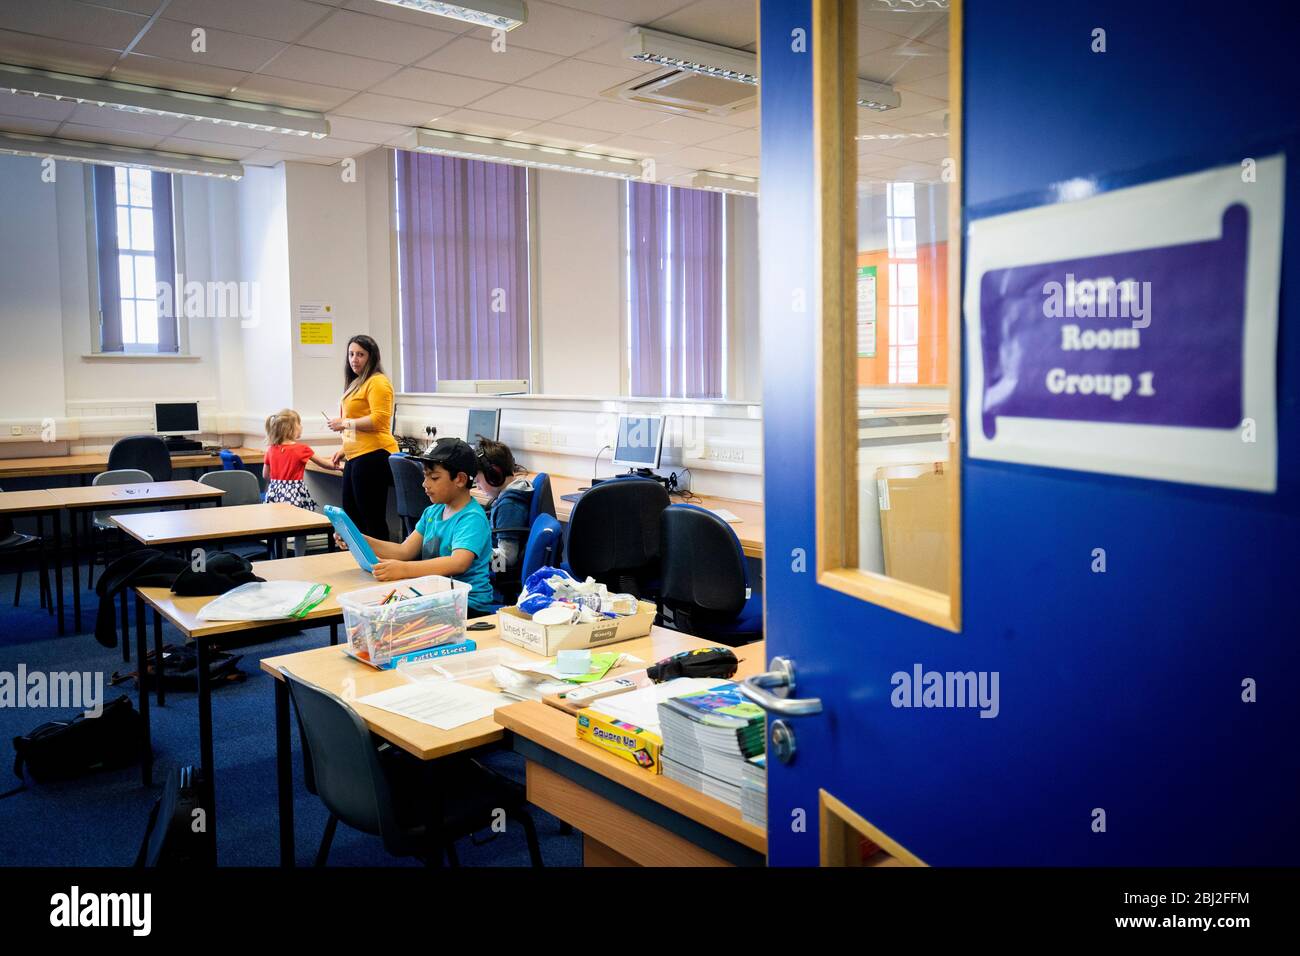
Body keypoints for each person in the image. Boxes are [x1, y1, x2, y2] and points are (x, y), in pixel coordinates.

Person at [334, 438, 494, 616]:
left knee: (393, 622)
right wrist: (358, 539)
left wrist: (404, 569)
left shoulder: (471, 518)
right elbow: (403, 551)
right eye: (425, 476)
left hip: (467, 605)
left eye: (434, 477)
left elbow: (458, 563)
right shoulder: (432, 512)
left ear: (460, 479)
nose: (425, 484)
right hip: (437, 597)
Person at [328, 334, 398, 540]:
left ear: (371, 357)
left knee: (371, 517)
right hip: (356, 455)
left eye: (360, 354)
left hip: (374, 455)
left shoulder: (378, 382)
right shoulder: (357, 382)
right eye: (351, 354)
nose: (354, 359)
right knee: (352, 515)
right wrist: (344, 449)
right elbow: (357, 419)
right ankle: (362, 562)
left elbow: (379, 421)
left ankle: (382, 564)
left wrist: (344, 423)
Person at [474, 437, 533, 592]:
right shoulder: (518, 489)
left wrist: (474, 554)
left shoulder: (509, 506)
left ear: (494, 475)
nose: (478, 487)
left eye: (478, 480)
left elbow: (507, 559)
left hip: (499, 573)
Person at [262, 409, 338, 511]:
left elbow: (265, 475)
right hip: (294, 494)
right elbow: (326, 464)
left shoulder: (270, 450)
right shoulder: (302, 449)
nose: (301, 427)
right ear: (291, 428)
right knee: (297, 520)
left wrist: (278, 483)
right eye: (299, 424)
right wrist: (339, 466)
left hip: (274, 492)